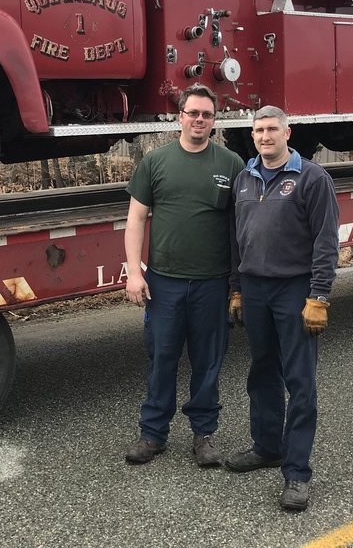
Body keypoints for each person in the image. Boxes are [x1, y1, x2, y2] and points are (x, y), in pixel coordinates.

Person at [123, 84, 245, 467]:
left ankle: (204, 434)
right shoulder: (155, 163)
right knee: (162, 357)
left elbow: (245, 224)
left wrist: (239, 283)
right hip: (164, 283)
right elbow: (135, 219)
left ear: (214, 121)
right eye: (193, 113)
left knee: (208, 361)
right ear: (180, 117)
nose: (199, 120)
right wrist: (134, 273)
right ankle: (153, 434)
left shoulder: (230, 164)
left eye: (207, 115)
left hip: (213, 283)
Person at [225, 106, 340, 511]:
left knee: (300, 380)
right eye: (258, 130)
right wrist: (236, 289)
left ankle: (296, 473)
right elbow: (237, 240)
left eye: (272, 128)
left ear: (288, 132)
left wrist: (319, 296)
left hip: (295, 290)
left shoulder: (312, 178)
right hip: (255, 289)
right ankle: (267, 447)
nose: (264, 136)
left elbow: (326, 242)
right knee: (262, 371)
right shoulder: (244, 178)